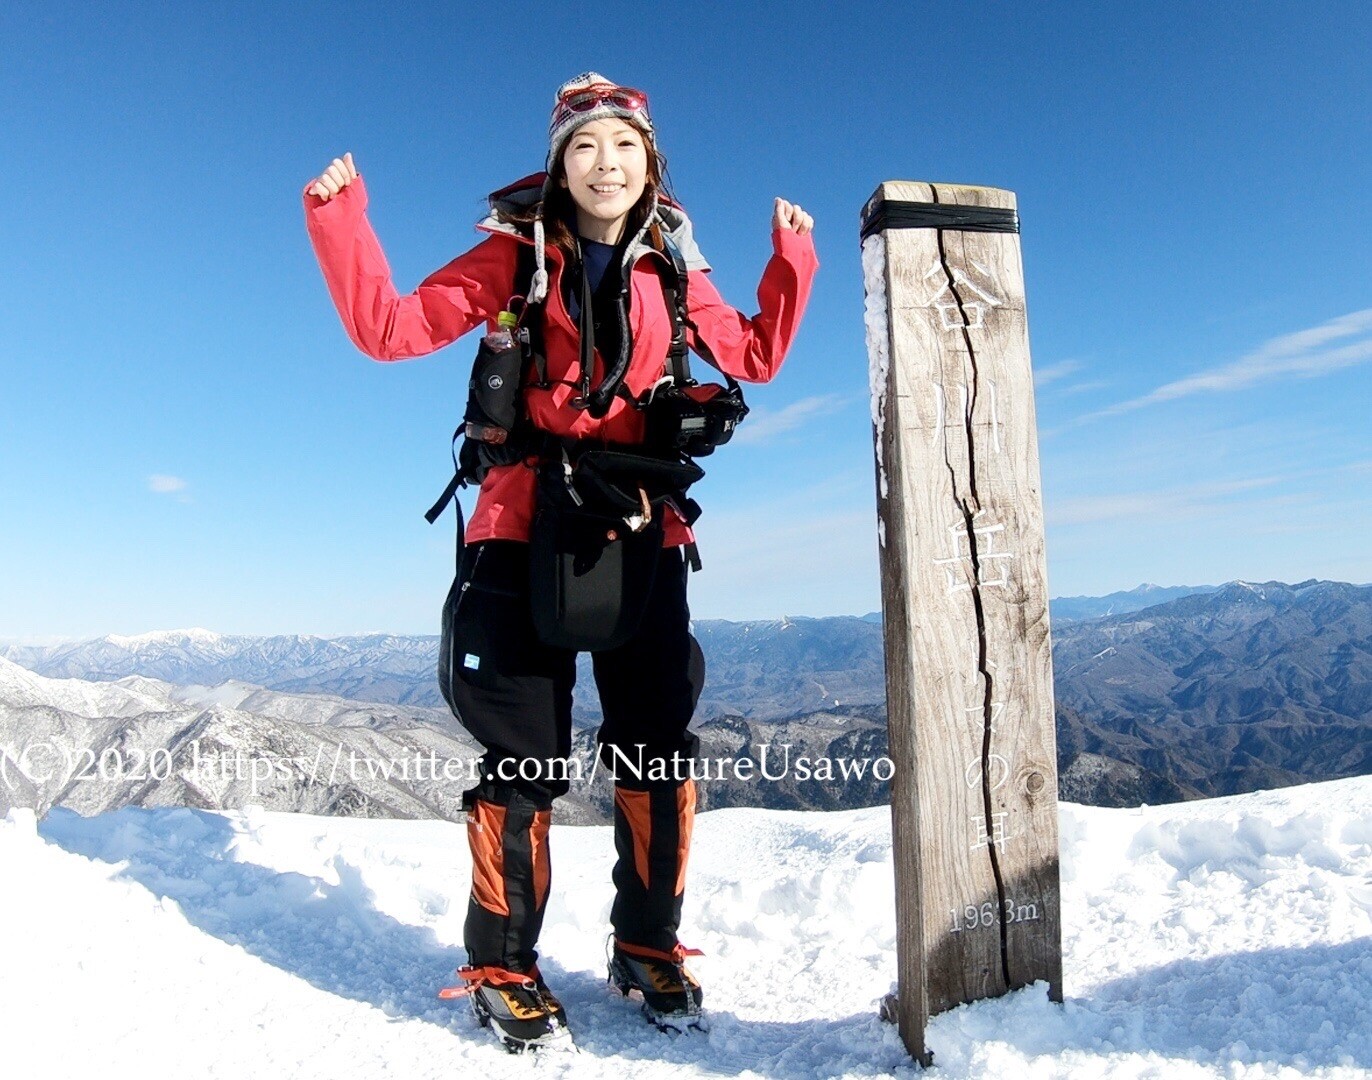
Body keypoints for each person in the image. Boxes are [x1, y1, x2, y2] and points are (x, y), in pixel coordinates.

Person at [303, 72, 817, 1052]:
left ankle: (647, 945)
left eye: (622, 145)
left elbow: (750, 354)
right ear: (558, 161)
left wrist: (790, 258)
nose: (604, 163)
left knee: (656, 743)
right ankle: (504, 962)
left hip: (639, 529)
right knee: (523, 755)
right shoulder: (515, 252)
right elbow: (391, 329)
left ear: (649, 159)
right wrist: (342, 217)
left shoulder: (673, 262)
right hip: (521, 527)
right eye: (584, 147)